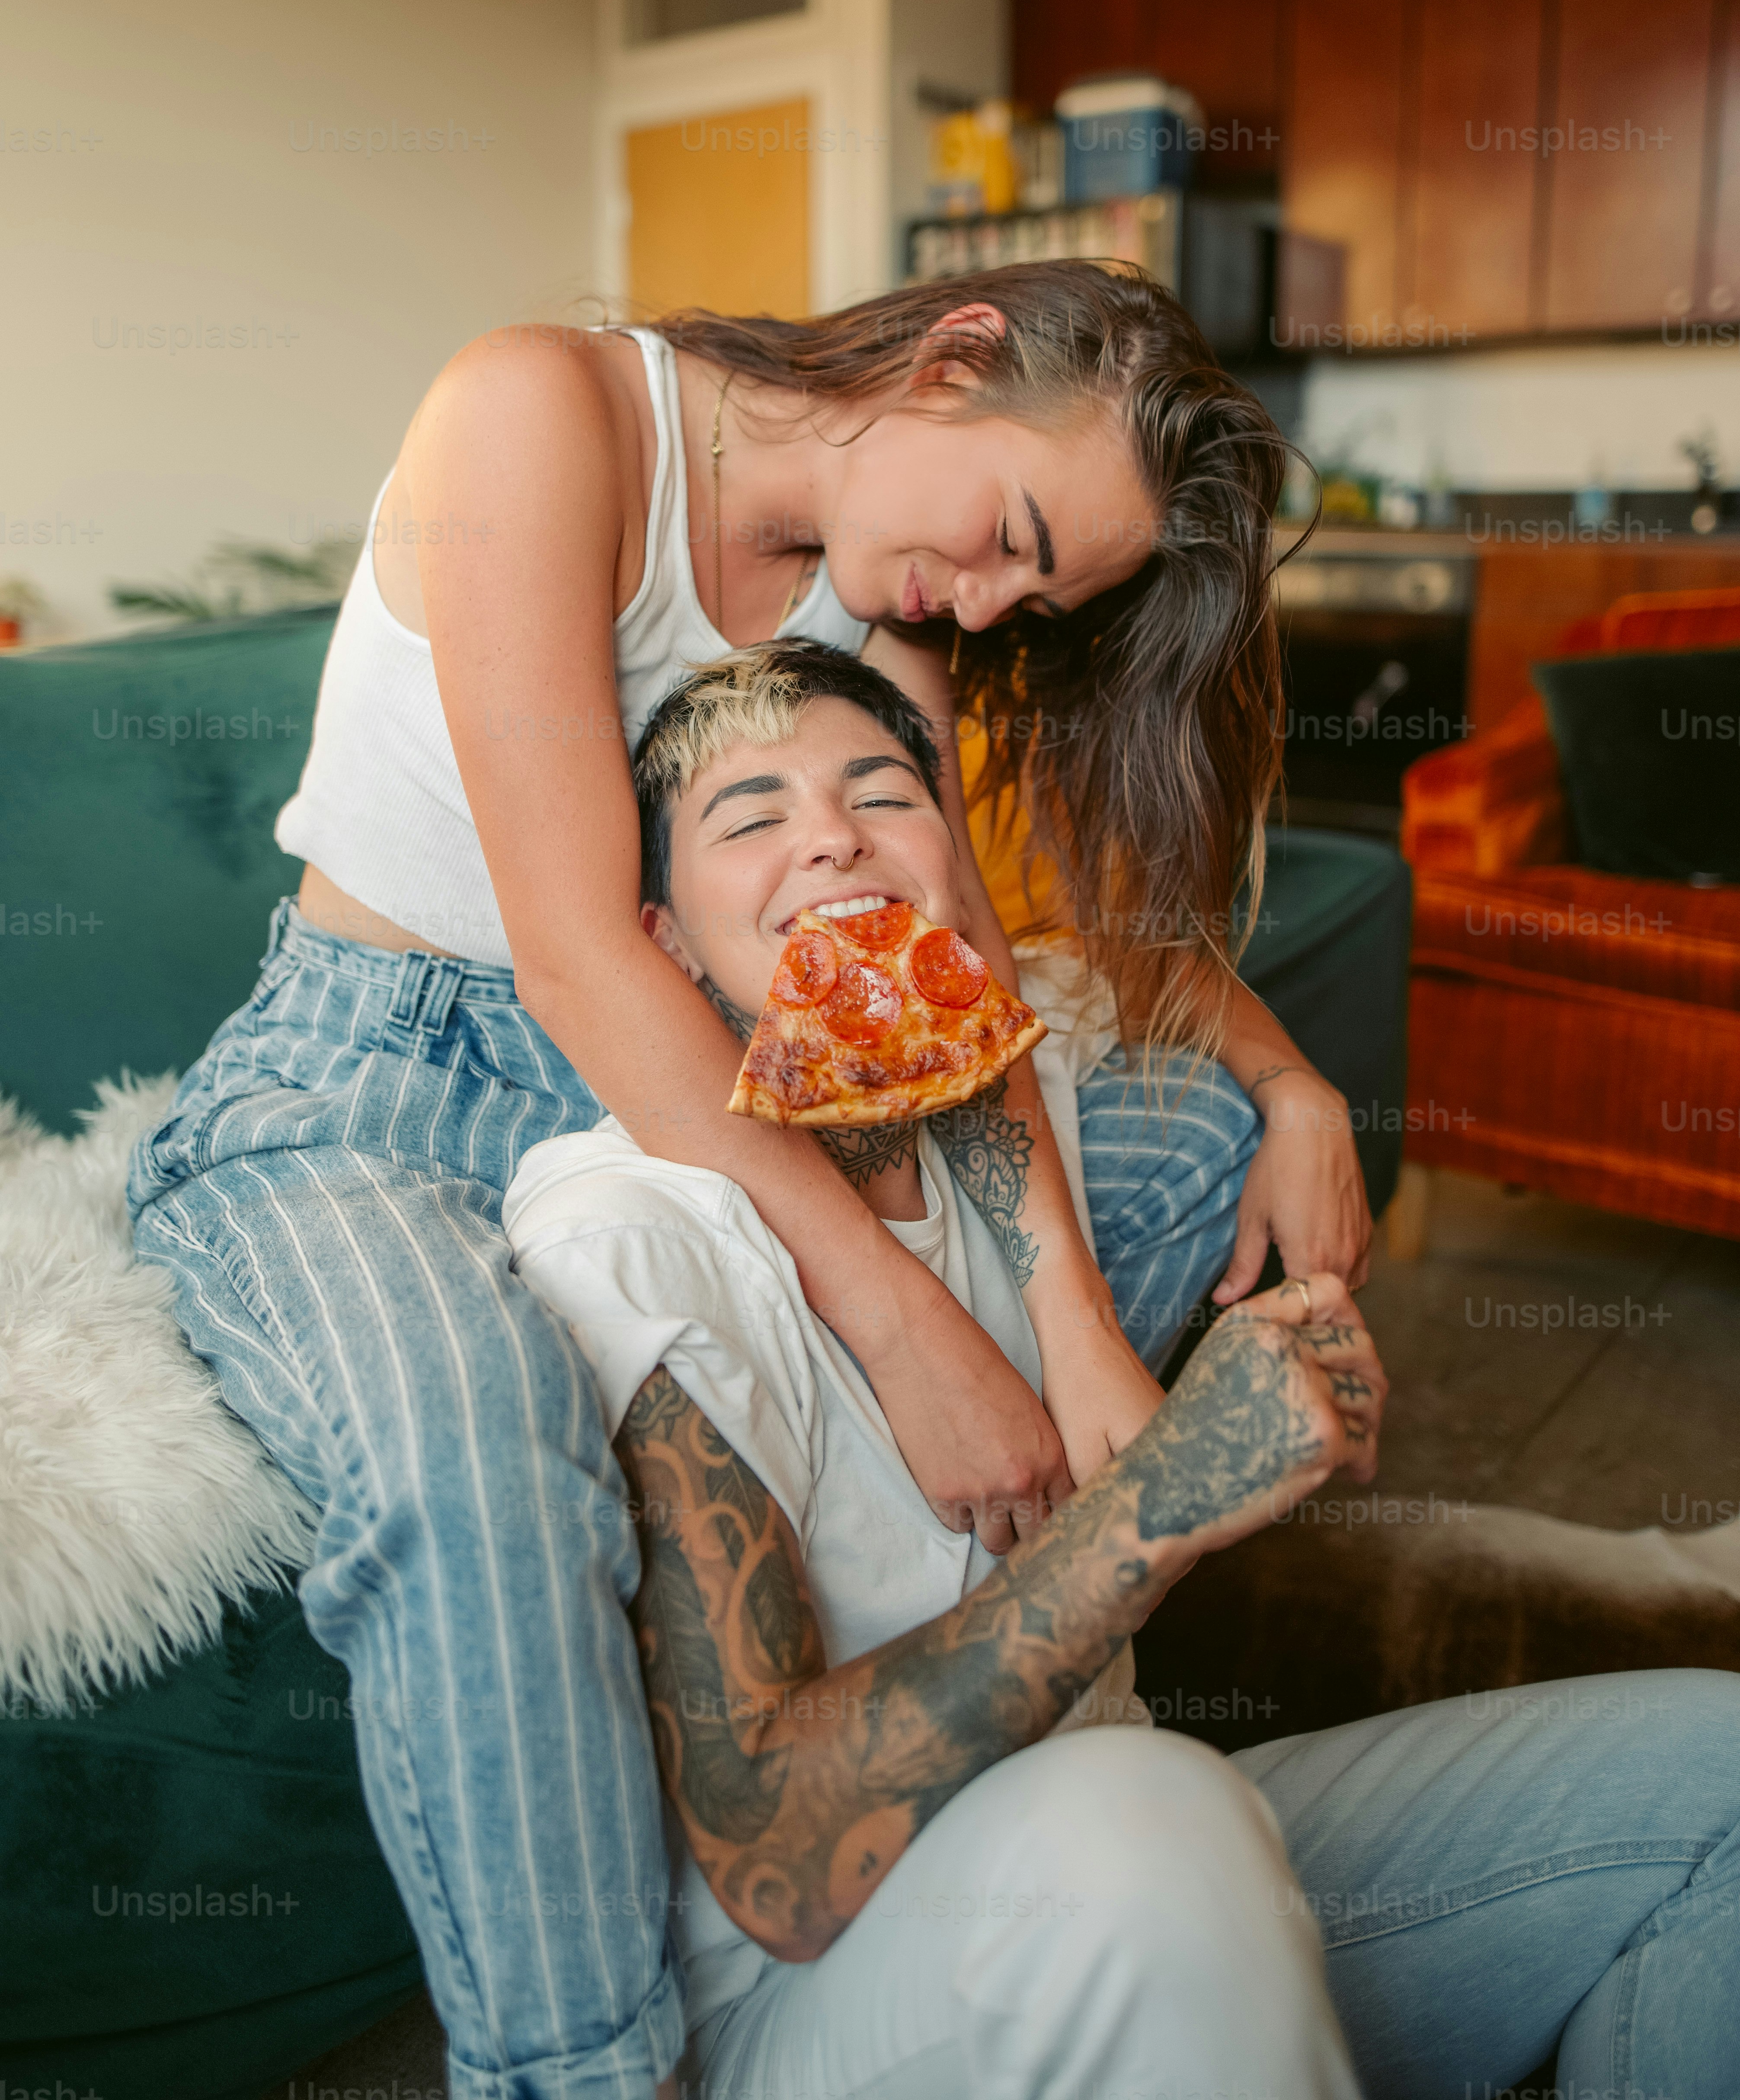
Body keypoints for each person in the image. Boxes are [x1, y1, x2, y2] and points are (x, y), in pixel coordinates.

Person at [129, 266, 1377, 2094]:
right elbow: (577, 952)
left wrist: (1075, 1316)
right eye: (1014, 532)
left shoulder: (888, 606)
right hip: (376, 1092)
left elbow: (938, 969)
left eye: (1044, 594)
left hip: (705, 1081)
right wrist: (904, 1320)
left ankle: (949, 1804)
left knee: (1170, 1142)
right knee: (476, 1456)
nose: (992, 599)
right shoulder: (543, 414)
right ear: (952, 362)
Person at [507, 640, 1740, 2100]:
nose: (831, 833)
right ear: (660, 944)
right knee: (1140, 1815)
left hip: (1158, 1857)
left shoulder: (1004, 1131)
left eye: (881, 794)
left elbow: (1140, 970)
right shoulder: (630, 1238)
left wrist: (1296, 1100)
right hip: (831, 1996)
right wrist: (1164, 1499)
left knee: (1721, 1768)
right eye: (752, 815)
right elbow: (774, 1850)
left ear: (956, 887)